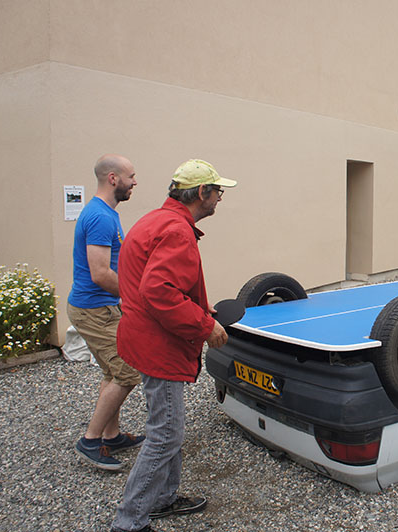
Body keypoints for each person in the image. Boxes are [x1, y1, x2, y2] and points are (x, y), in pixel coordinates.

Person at [110, 159, 236, 532]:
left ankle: (164, 498)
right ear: (202, 193)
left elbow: (157, 284)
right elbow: (159, 292)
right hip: (157, 345)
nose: (220, 198)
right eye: (218, 191)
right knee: (166, 433)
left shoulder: (155, 220)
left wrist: (199, 305)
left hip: (144, 337)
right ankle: (129, 522)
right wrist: (204, 325)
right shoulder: (178, 232)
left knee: (168, 428)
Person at [69, 154, 145, 471]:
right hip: (94, 309)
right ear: (113, 178)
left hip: (103, 306)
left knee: (111, 372)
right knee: (128, 372)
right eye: (131, 176)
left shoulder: (106, 214)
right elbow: (100, 273)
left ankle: (111, 436)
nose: (135, 182)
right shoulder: (100, 217)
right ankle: (90, 440)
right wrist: (137, 296)